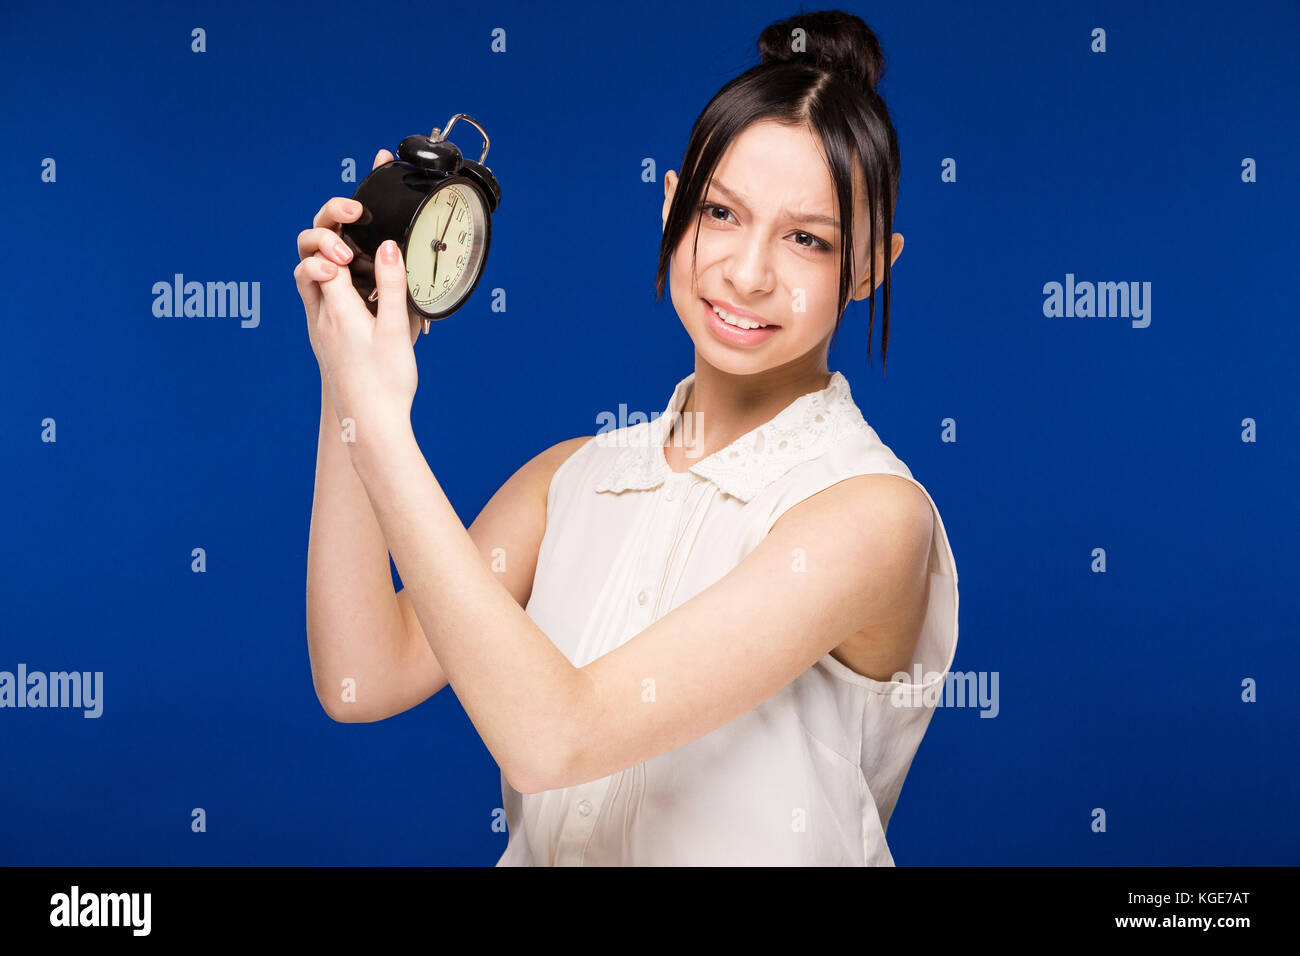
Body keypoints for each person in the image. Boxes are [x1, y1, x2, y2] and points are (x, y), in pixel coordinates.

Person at [295, 8, 959, 866]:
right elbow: (363, 676)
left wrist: (385, 427)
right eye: (721, 213)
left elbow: (555, 736)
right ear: (672, 208)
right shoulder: (573, 478)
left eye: (807, 239)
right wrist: (346, 382)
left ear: (870, 266)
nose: (747, 272)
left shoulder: (872, 517)